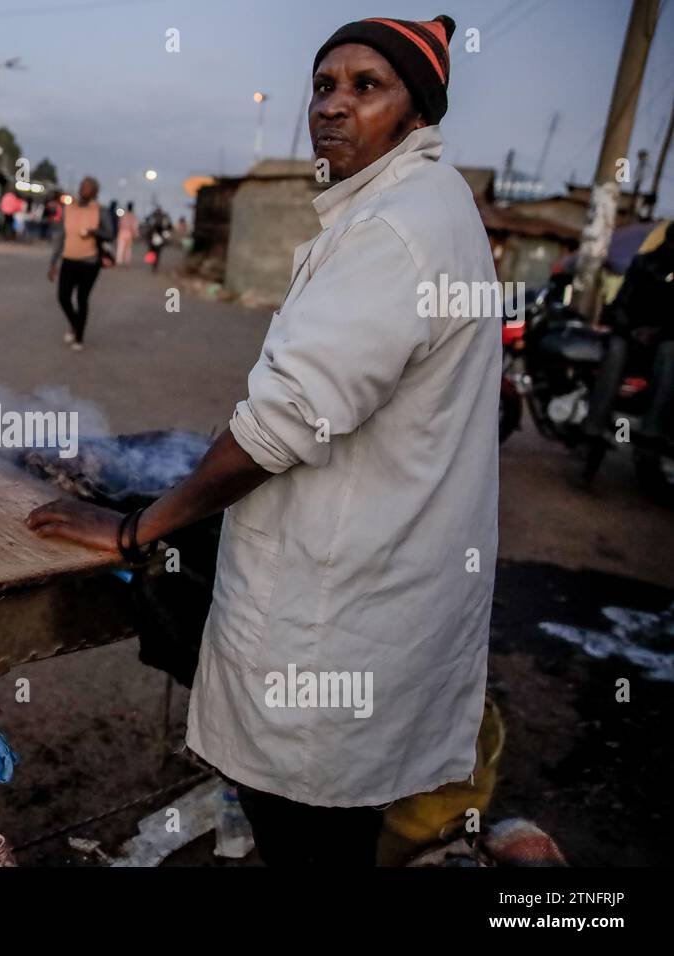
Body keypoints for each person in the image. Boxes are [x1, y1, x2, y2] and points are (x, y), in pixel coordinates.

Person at [27, 14, 500, 867]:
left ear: (417, 113)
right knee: (336, 831)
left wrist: (135, 530)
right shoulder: (428, 205)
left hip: (339, 611)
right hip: (385, 589)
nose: (333, 106)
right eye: (324, 85)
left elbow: (280, 425)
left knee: (308, 832)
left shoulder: (393, 229)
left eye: (367, 86)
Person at [582, 227, 674, 470]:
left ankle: (651, 433)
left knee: (670, 352)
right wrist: (631, 330)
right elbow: (621, 303)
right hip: (630, 335)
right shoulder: (642, 264)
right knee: (614, 352)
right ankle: (593, 430)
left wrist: (658, 334)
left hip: (662, 341)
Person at [48, 177, 116, 352]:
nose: (82, 190)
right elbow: (60, 237)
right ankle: (74, 323)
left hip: (89, 262)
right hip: (68, 259)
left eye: (86, 188)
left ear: (94, 192)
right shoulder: (68, 209)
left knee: (81, 298)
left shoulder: (101, 211)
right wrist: (53, 262)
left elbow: (110, 234)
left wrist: (94, 232)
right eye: (81, 186)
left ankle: (79, 337)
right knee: (63, 296)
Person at [116, 200, 137, 265]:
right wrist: (135, 234)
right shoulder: (133, 216)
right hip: (129, 233)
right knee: (128, 249)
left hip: (122, 233)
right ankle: (127, 260)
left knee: (120, 248)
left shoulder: (123, 215)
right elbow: (134, 226)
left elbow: (119, 224)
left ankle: (119, 261)